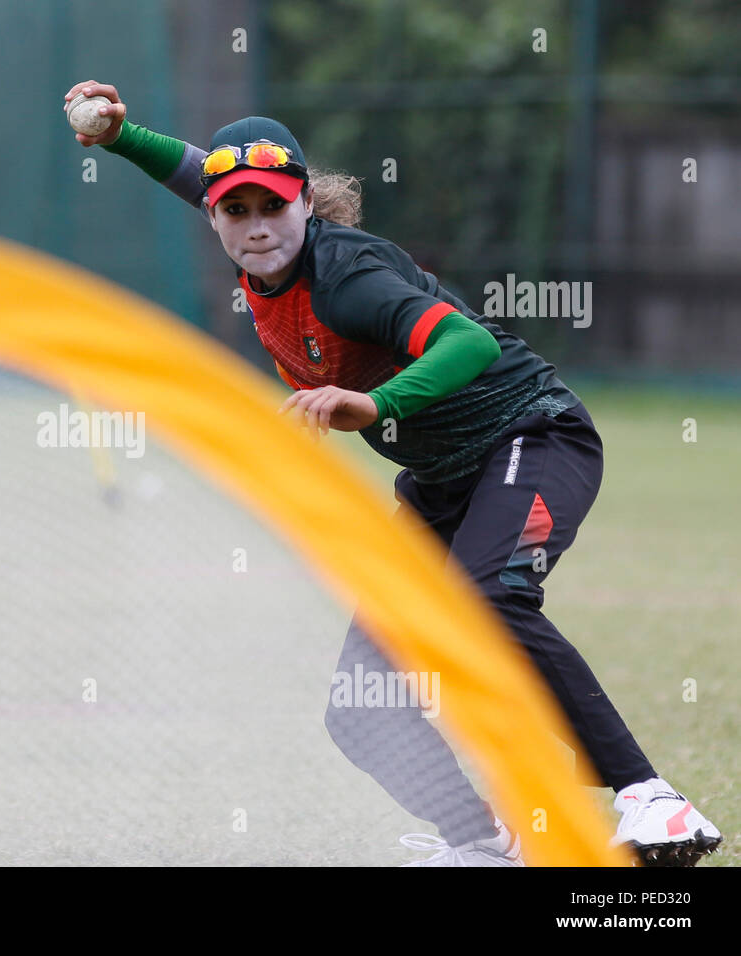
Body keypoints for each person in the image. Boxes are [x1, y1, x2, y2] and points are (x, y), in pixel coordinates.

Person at [64, 80, 722, 867]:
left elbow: (469, 343)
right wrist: (122, 136)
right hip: (440, 483)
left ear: (306, 203)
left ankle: (654, 804)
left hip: (531, 437)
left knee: (488, 601)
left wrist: (375, 404)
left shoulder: (347, 278)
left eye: (273, 205)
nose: (257, 223)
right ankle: (485, 843)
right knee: (360, 707)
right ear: (213, 216)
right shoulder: (258, 244)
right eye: (235, 209)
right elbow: (198, 172)